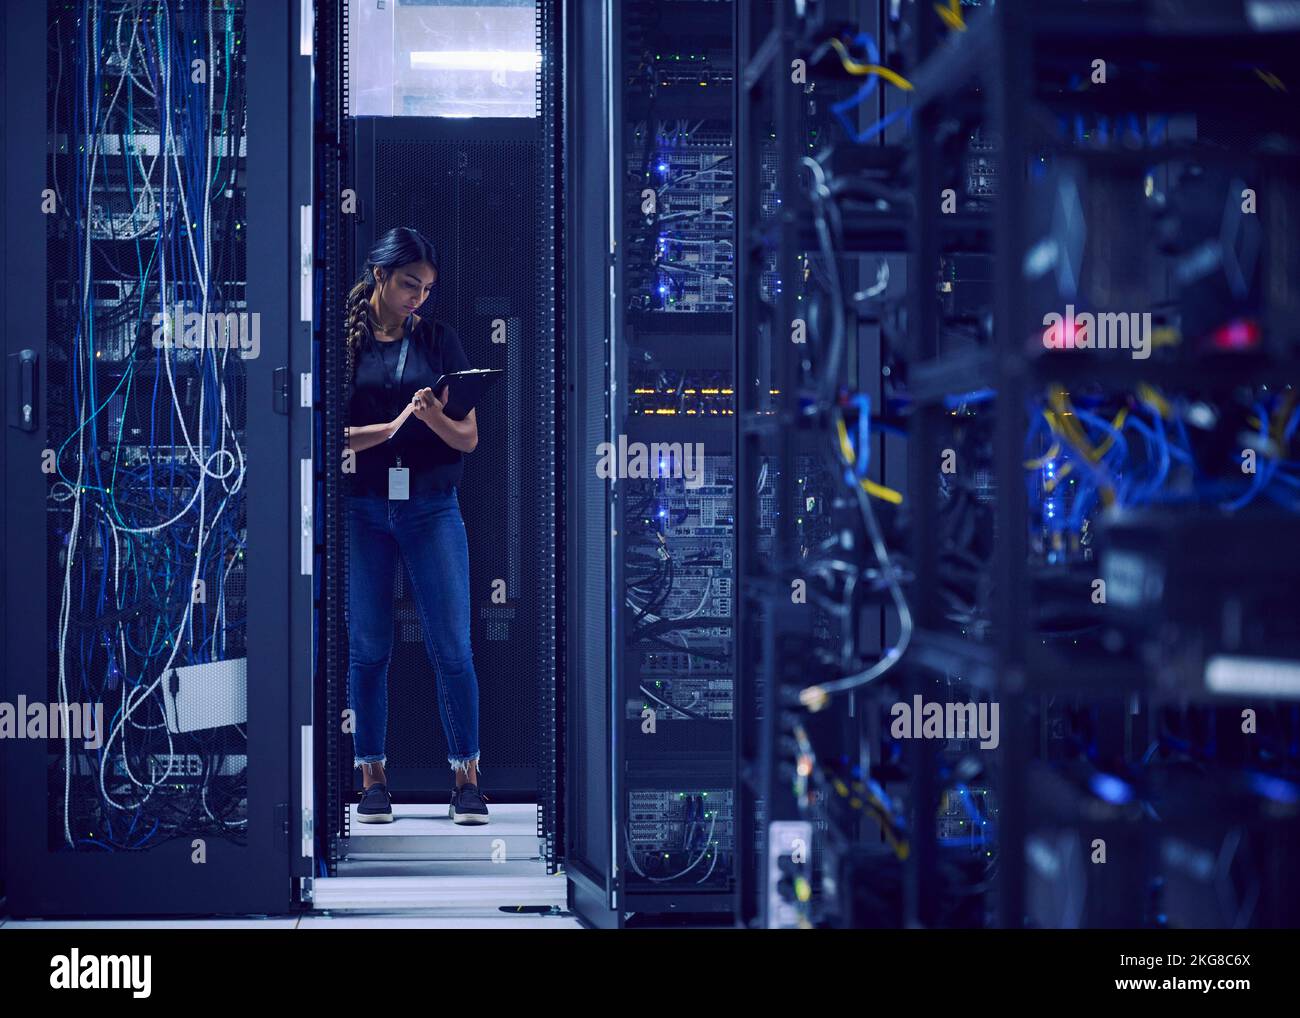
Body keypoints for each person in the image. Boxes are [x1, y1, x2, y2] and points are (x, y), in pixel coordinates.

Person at [341, 226, 488, 825]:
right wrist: (400, 422)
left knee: (452, 646)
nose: (417, 298)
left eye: (426, 288)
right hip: (362, 507)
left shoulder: (438, 341)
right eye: (408, 285)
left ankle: (467, 778)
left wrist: (431, 418)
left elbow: (469, 438)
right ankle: (372, 777)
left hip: (431, 505)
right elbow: (328, 437)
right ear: (379, 275)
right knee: (370, 648)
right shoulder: (341, 342)